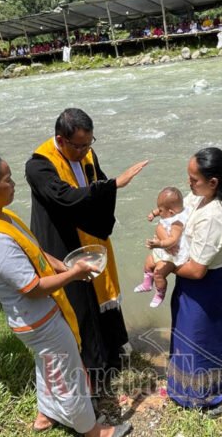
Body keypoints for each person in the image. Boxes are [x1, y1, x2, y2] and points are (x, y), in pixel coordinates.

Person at [0, 152, 132, 437]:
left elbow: (33, 250)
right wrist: (73, 275)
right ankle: (92, 430)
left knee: (48, 363)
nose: (13, 184)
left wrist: (62, 264)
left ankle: (45, 414)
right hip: (37, 318)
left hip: (37, 317)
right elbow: (32, 288)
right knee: (66, 373)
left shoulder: (1, 217)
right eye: (7, 179)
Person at [25, 108, 148, 386]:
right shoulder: (38, 165)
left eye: (89, 143)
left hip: (91, 235)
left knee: (102, 296)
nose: (84, 151)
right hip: (62, 240)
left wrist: (108, 188)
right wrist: (115, 184)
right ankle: (92, 370)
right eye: (78, 145)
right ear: (60, 139)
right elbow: (63, 197)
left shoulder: (88, 154)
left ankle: (113, 355)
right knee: (80, 304)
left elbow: (98, 184)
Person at [167, 147, 222, 417]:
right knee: (189, 336)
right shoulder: (199, 197)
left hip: (206, 285)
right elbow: (181, 214)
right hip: (193, 280)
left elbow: (198, 270)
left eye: (194, 179)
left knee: (204, 340)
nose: (189, 183)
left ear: (213, 183)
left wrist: (166, 265)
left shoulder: (215, 216)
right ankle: (188, 391)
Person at [133, 187, 188, 308]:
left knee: (158, 274)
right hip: (162, 249)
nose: (159, 212)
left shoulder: (177, 223)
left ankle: (160, 293)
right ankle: (147, 284)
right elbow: (162, 209)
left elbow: (173, 240)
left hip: (171, 255)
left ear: (171, 213)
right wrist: (153, 213)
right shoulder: (170, 211)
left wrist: (160, 244)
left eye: (160, 211)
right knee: (148, 263)